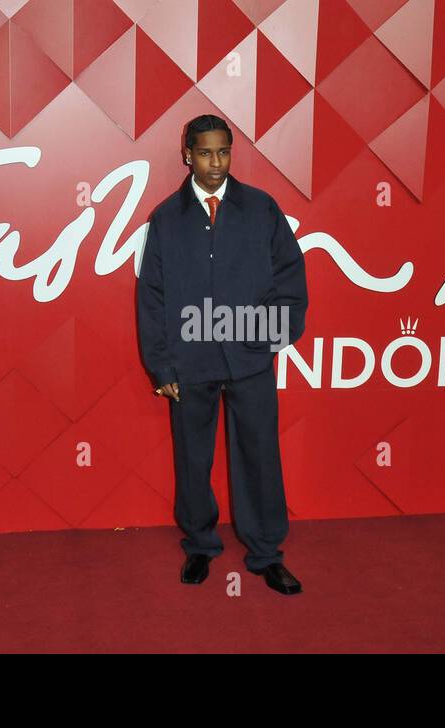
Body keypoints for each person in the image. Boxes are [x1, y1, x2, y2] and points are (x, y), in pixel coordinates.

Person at [135, 114, 308, 595]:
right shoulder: (166, 220)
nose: (216, 163)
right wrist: (162, 364)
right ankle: (200, 545)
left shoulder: (261, 209)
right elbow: (151, 296)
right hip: (189, 364)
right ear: (188, 154)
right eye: (206, 153)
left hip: (250, 358)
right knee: (193, 458)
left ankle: (267, 552)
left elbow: (290, 278)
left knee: (259, 456)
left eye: (224, 152)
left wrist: (267, 337)